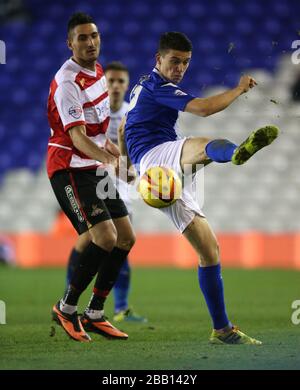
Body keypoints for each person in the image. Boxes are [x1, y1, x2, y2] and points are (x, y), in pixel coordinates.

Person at [123, 31, 279, 345]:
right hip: (157, 160)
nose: (180, 67)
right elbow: (205, 108)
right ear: (159, 59)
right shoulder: (157, 86)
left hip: (153, 167)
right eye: (174, 61)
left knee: (210, 252)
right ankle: (235, 153)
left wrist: (128, 165)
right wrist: (238, 89)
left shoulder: (142, 84)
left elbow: (126, 125)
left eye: (185, 62)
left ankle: (221, 330)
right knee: (203, 146)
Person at [47, 12, 136, 342]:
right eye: (82, 38)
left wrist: (116, 156)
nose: (90, 42)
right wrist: (108, 161)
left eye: (94, 36)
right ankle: (66, 308)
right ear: (70, 43)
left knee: (125, 237)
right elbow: (78, 138)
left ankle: (95, 313)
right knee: (104, 238)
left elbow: (98, 132)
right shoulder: (68, 83)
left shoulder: (97, 71)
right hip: (69, 167)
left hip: (93, 165)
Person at [65, 61, 147, 323]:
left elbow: (131, 157)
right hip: (91, 180)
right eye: (110, 81)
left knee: (123, 241)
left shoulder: (131, 114)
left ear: (126, 85)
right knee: (88, 240)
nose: (114, 86)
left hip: (120, 186)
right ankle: (70, 299)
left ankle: (121, 307)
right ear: (103, 84)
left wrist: (126, 164)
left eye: (120, 81)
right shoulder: (91, 112)